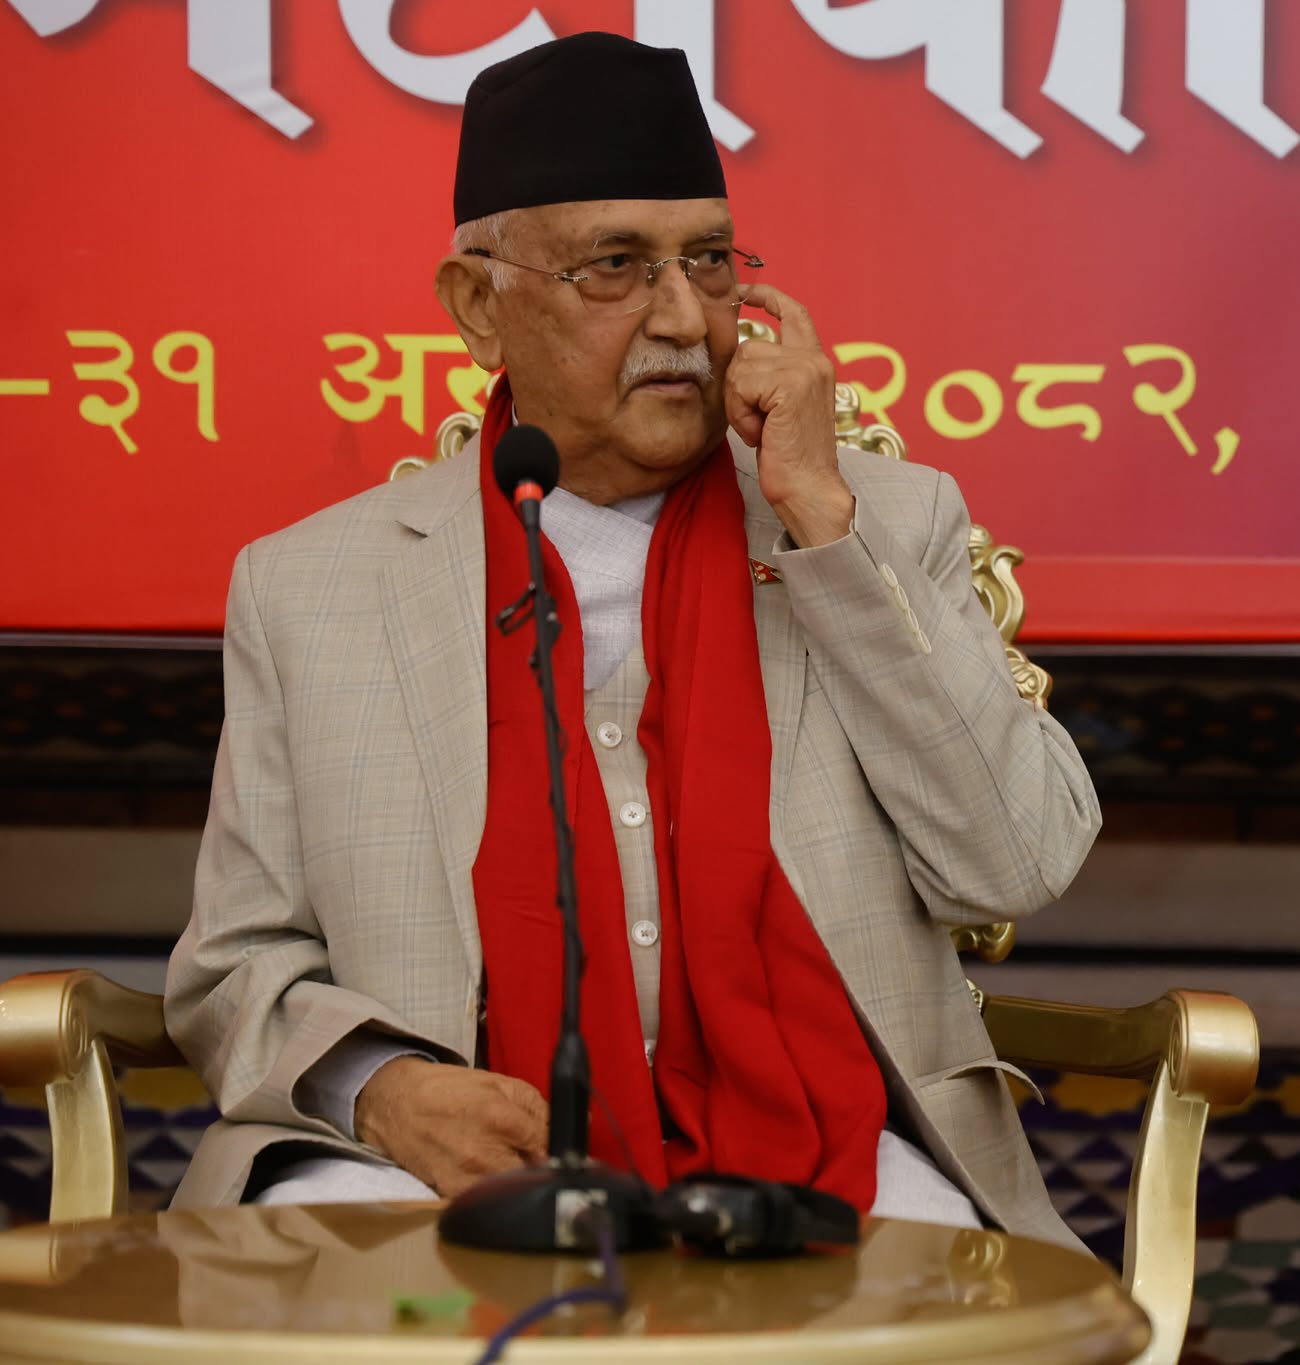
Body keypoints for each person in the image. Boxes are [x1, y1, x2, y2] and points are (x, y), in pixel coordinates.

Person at [164, 32, 1099, 1250]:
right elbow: (234, 966)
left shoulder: (878, 521)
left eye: (708, 263)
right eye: (614, 266)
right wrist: (388, 1090)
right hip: (429, 1164)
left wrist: (826, 529)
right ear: (477, 306)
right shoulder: (313, 586)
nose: (678, 317)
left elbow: (1013, 867)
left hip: (830, 1150)